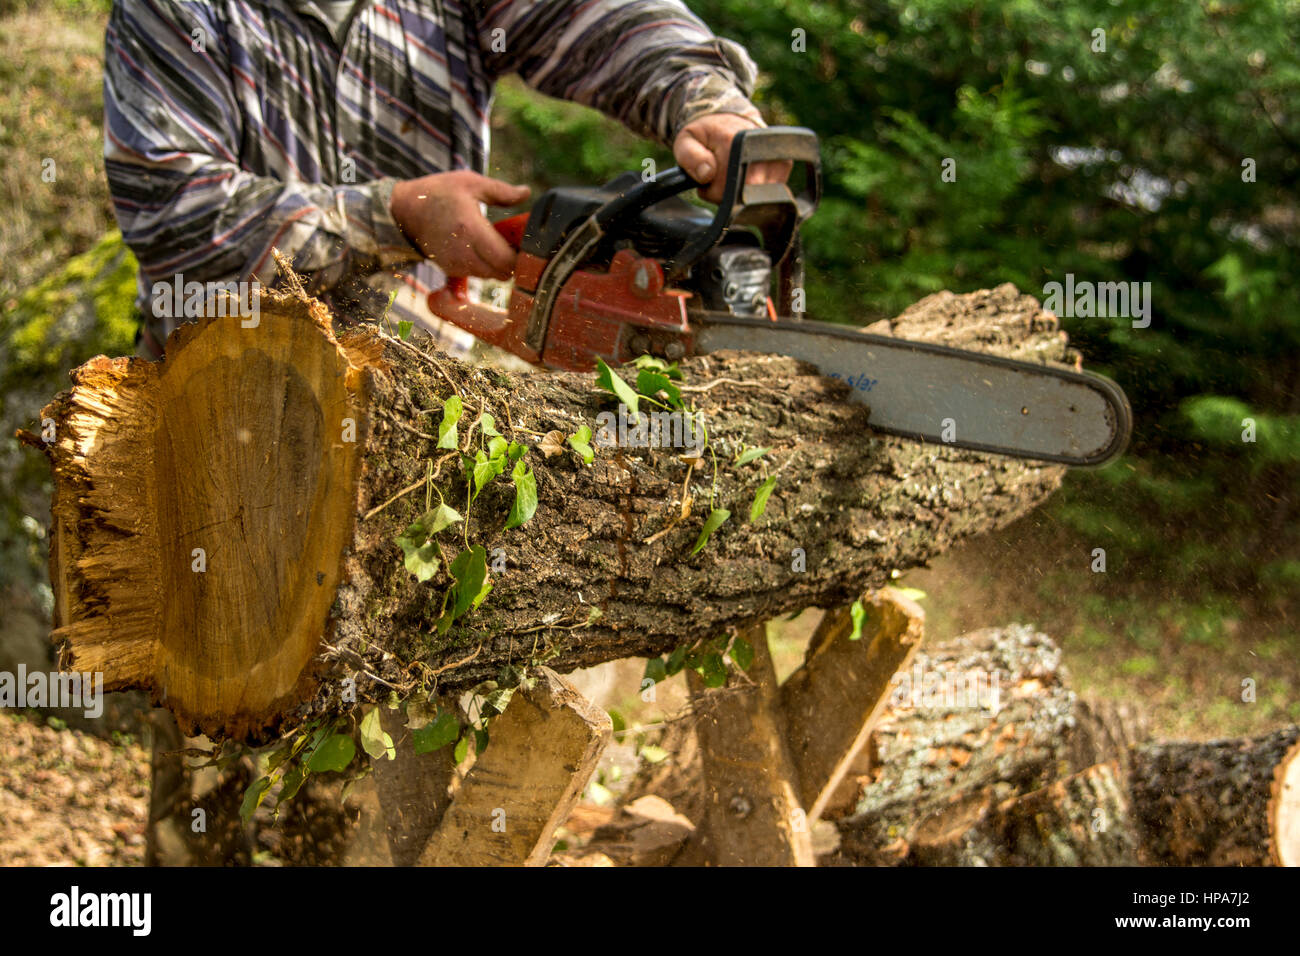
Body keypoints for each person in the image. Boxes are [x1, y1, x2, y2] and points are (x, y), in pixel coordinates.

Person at [104, 0, 780, 361]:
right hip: (218, 393)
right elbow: (173, 211)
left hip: (426, 386)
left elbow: (593, 14)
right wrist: (395, 216)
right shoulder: (172, 11)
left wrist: (700, 96)